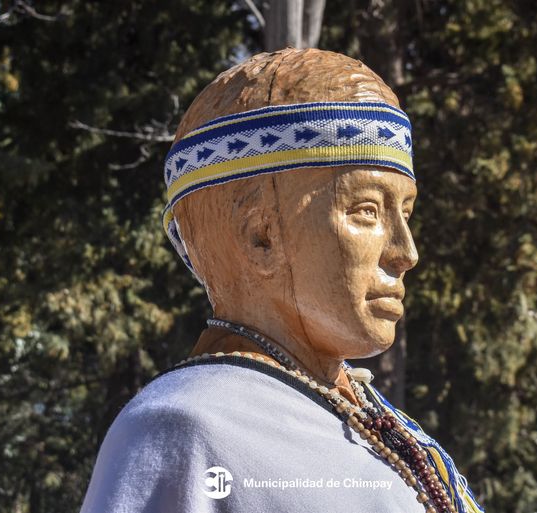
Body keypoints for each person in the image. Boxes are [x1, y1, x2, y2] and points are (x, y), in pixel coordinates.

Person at [80, 48, 484, 513]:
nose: (406, 253)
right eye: (366, 211)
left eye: (407, 213)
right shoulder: (182, 430)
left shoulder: (370, 420)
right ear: (261, 237)